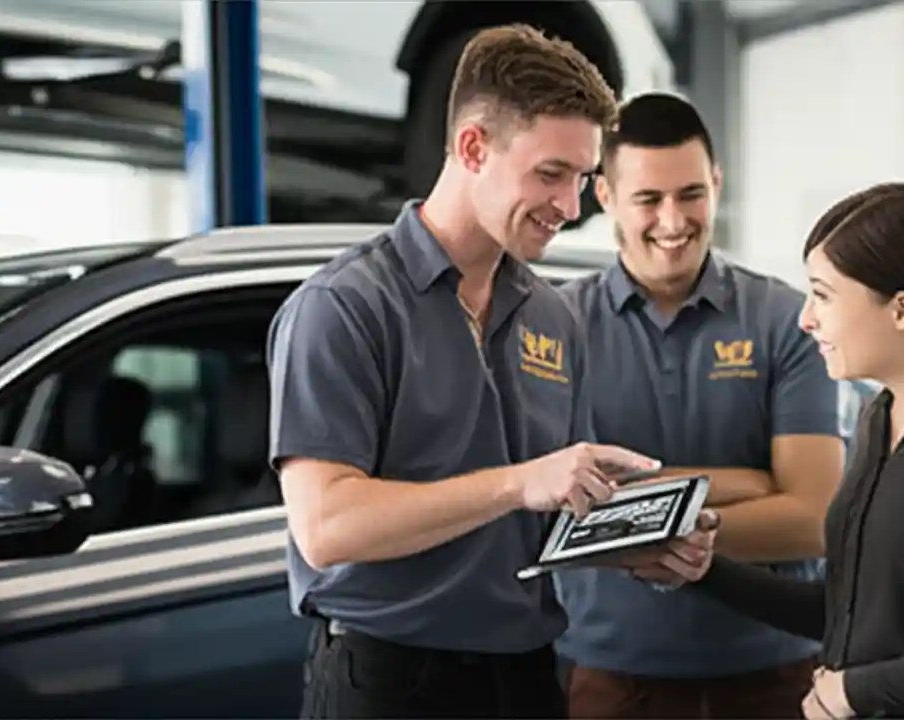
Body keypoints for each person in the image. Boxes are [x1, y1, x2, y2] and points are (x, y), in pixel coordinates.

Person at [266, 24, 660, 719]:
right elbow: (327, 526)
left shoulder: (553, 316)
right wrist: (518, 484)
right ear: (474, 147)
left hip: (526, 678)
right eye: (550, 174)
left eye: (582, 179)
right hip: (388, 683)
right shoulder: (345, 307)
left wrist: (638, 543)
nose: (571, 209)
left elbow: (541, 514)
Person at [641, 182, 904, 718]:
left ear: (903, 309)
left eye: (822, 295)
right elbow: (849, 611)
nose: (806, 319)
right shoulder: (877, 418)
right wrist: (703, 570)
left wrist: (855, 691)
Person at [553, 92, 847, 719]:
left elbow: (814, 518)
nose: (673, 219)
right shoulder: (556, 329)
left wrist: (643, 519)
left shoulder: (786, 322)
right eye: (648, 200)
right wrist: (748, 485)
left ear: (716, 183)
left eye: (690, 194)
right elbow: (560, 510)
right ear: (604, 196)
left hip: (774, 672)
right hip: (614, 679)